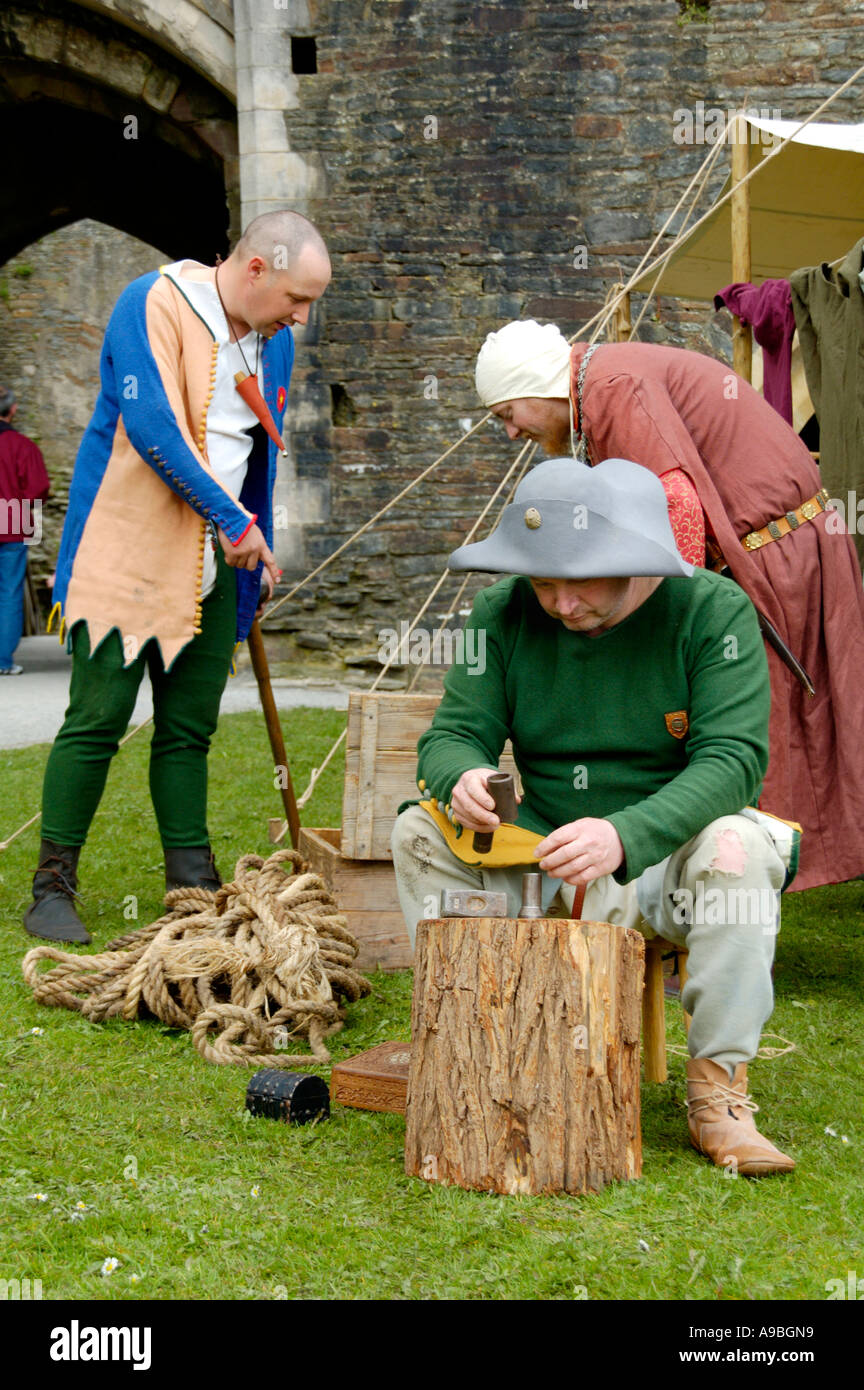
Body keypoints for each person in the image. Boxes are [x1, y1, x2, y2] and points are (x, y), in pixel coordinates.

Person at [391, 457, 797, 1176]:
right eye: (542, 581)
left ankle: (719, 1091)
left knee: (740, 847)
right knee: (417, 831)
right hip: (541, 856)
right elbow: (452, 735)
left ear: (639, 559)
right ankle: (482, 1039)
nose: (559, 603)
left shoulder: (713, 612)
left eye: (579, 581)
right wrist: (464, 777)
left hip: (666, 858)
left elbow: (733, 762)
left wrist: (625, 835)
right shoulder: (501, 612)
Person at [24, 210, 331, 945]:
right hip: (124, 546)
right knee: (96, 722)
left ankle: (190, 884)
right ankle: (52, 885)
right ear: (256, 269)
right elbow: (153, 424)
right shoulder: (153, 301)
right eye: (297, 297)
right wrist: (234, 523)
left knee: (189, 730)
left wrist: (253, 555)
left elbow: (259, 457)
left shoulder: (275, 344)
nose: (303, 315)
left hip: (220, 557)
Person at [473, 319, 864, 893]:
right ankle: (713, 892)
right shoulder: (601, 381)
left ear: (540, 386)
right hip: (772, 549)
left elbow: (674, 502)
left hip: (778, 554)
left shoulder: (612, 386)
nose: (510, 432)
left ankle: (722, 896)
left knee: (750, 724)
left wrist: (668, 627)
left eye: (509, 413)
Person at [0, 386, 51, 675]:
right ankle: (3, 661)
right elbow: (38, 488)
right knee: (9, 592)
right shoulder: (22, 446)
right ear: (13, 409)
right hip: (10, 519)